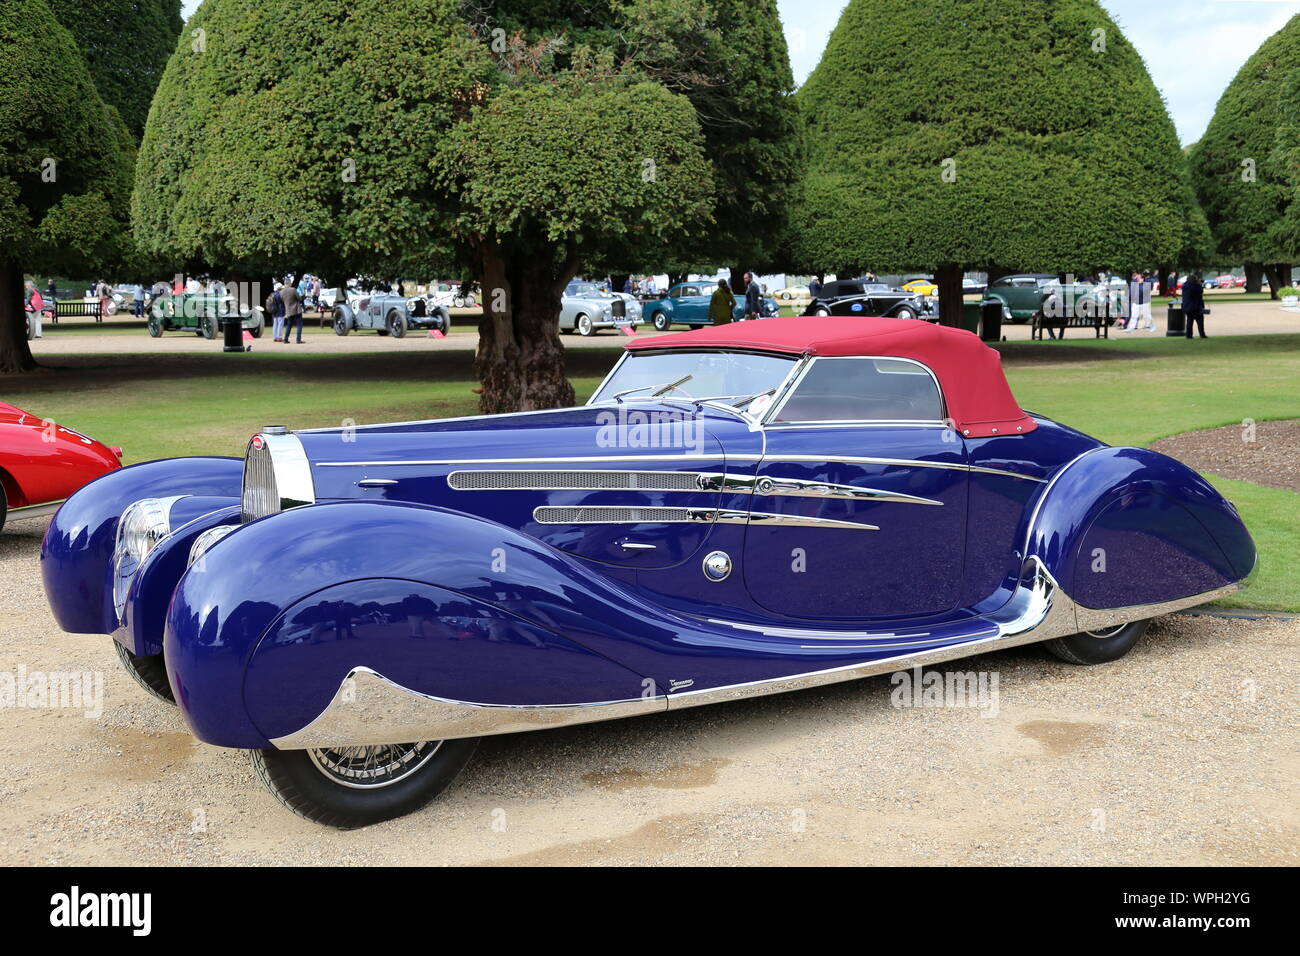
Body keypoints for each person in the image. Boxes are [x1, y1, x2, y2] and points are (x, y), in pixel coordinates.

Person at [1182, 273, 1207, 339]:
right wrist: (1199, 284)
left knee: (1189, 320)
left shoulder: (1184, 285)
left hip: (1187, 306)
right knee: (1200, 320)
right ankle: (1202, 334)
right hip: (1195, 306)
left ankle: (1188, 335)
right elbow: (1200, 291)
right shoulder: (1195, 286)